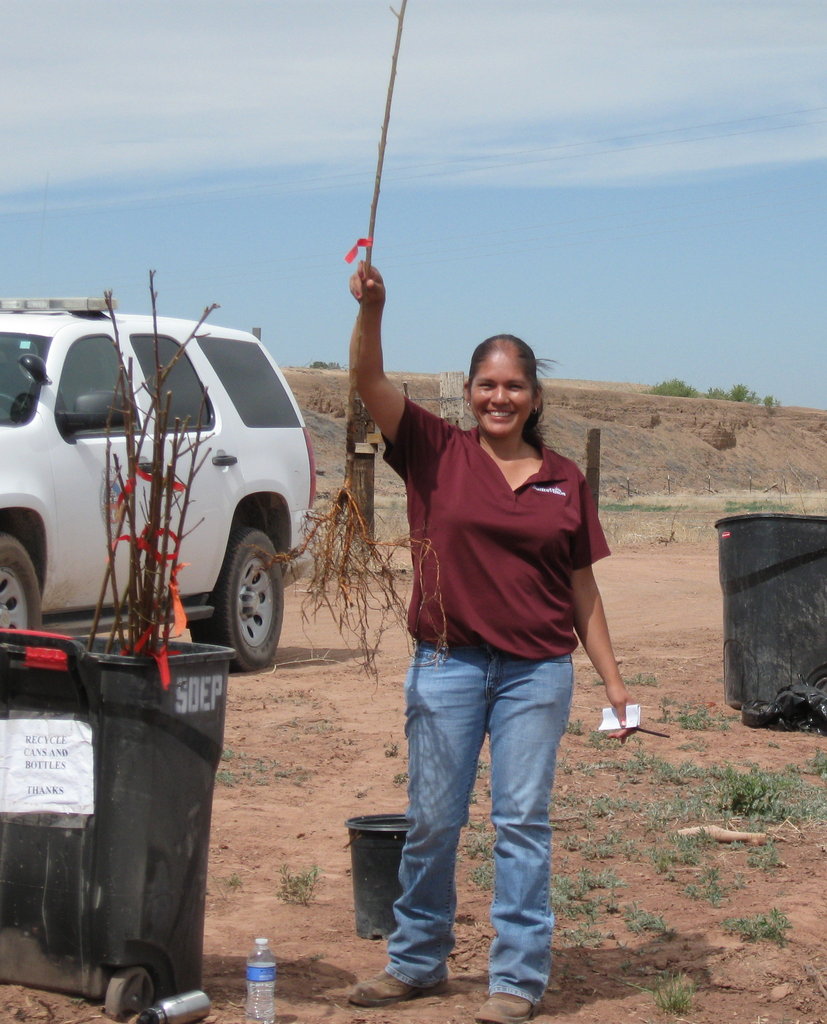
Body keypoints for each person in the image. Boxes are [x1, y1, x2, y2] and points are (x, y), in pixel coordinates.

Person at [345, 262, 633, 1024]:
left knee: (521, 824)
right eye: (486, 384)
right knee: (432, 820)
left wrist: (612, 681)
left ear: (533, 397)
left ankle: (516, 978)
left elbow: (581, 590)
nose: (498, 397)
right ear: (467, 392)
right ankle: (416, 962)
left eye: (513, 386)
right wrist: (373, 310)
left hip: (535, 675)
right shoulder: (433, 449)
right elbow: (367, 380)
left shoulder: (564, 480)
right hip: (447, 664)